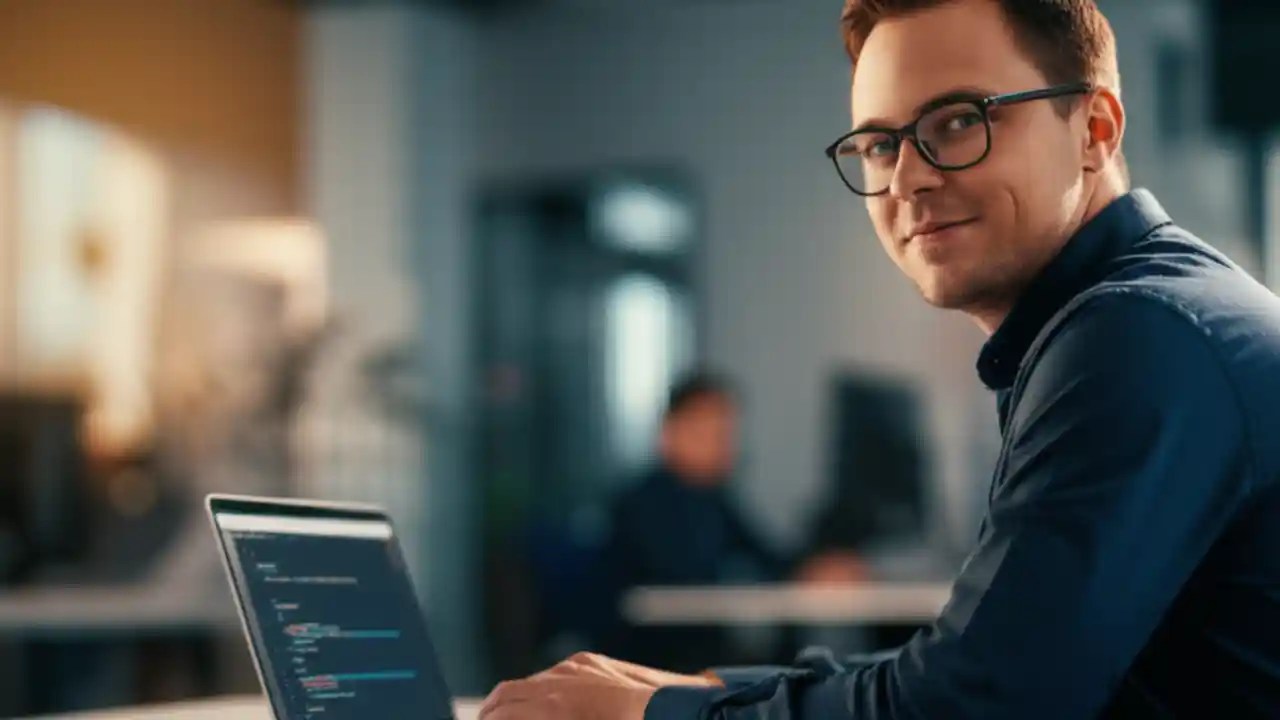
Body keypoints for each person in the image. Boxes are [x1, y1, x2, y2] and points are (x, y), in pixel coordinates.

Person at [480, 0, 1280, 717]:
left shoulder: (1136, 337)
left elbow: (979, 703)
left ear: (1096, 129)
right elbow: (983, 665)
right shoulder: (1154, 313)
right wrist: (712, 692)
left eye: (959, 121)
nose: (908, 178)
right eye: (877, 144)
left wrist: (659, 718)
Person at [597, 372, 789, 670]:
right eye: (709, 434)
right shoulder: (641, 503)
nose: (723, 448)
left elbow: (768, 556)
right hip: (653, 665)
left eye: (726, 435)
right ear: (669, 434)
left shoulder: (715, 500)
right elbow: (676, 581)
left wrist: (816, 567)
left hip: (705, 656)